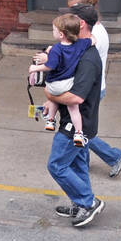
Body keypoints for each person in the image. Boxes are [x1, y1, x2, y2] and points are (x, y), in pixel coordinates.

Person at [44, 17, 105, 228]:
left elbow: (77, 98)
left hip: (76, 125)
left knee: (56, 165)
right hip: (77, 121)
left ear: (80, 24)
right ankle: (79, 203)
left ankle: (88, 202)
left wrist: (50, 95)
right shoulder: (80, 48)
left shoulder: (88, 59)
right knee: (77, 166)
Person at [68, 0, 121, 178]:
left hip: (88, 89)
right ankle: (83, 164)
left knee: (81, 130)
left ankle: (114, 156)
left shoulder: (96, 36)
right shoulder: (94, 30)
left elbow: (78, 60)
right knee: (81, 128)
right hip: (88, 87)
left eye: (75, 11)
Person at [29, 13, 92, 147]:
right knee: (74, 110)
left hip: (53, 84)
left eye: (54, 30)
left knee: (53, 98)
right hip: (69, 84)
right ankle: (79, 133)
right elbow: (93, 40)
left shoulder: (57, 49)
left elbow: (50, 66)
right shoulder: (80, 44)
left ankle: (51, 120)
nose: (53, 32)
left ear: (62, 34)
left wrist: (35, 68)